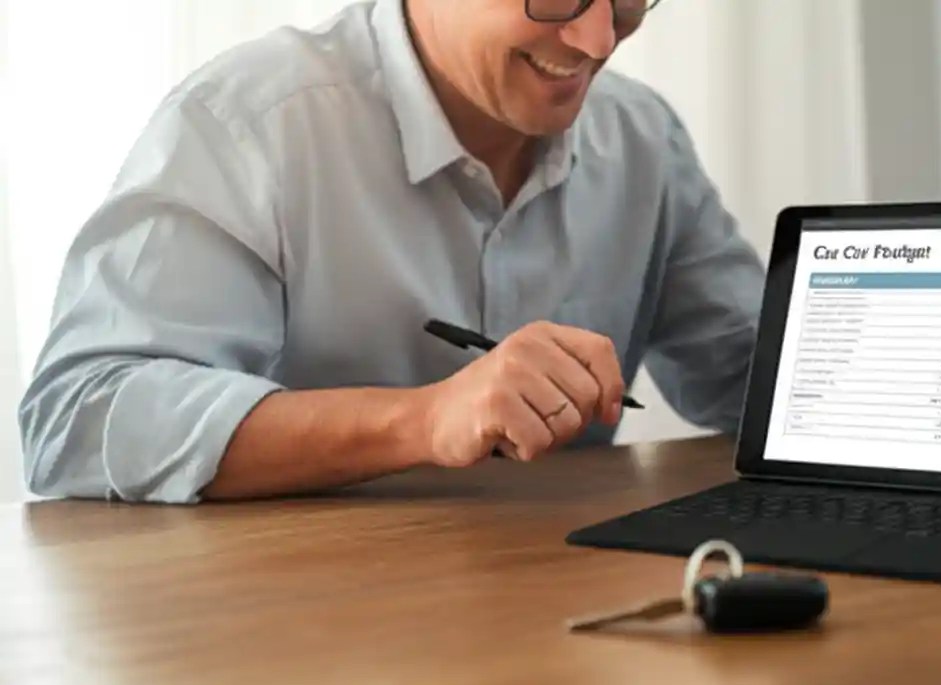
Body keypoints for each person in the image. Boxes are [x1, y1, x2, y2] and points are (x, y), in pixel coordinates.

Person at [18, 0, 764, 504]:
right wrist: (424, 419)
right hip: (294, 639)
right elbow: (79, 415)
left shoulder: (642, 138)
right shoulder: (247, 126)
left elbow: (753, 381)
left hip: (560, 615)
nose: (599, 39)